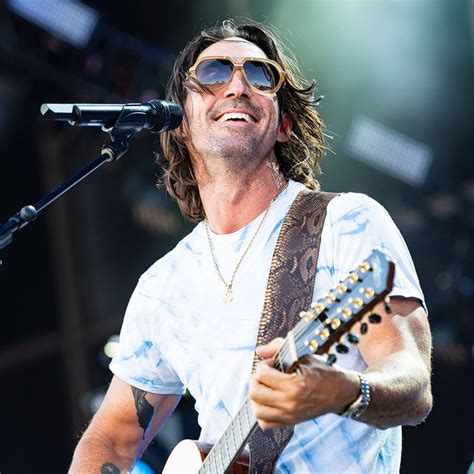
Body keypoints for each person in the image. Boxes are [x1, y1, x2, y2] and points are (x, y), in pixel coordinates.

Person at [69, 20, 432, 473]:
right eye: (214, 72)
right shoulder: (163, 285)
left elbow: (412, 381)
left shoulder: (346, 222)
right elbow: (112, 438)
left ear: (283, 125)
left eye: (261, 76)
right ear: (181, 123)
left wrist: (342, 390)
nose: (238, 86)